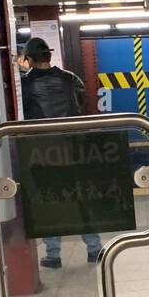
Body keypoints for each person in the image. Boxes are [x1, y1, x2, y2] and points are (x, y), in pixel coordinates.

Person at [17, 36, 103, 268]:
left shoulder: (24, 84)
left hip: (42, 152)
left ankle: (53, 254)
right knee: (81, 197)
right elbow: (82, 105)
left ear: (30, 59)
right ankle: (94, 248)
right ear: (49, 56)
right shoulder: (70, 78)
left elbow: (21, 113)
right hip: (72, 149)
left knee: (49, 200)